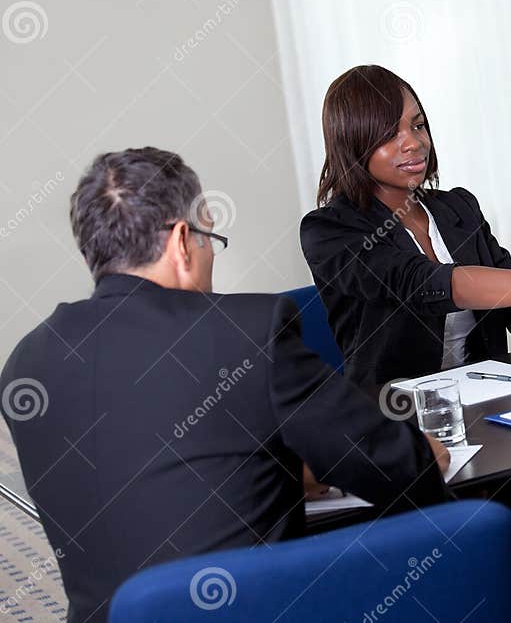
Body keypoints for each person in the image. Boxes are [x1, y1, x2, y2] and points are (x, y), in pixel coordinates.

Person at [0, 148, 451, 623]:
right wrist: (422, 450)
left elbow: (150, 473)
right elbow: (395, 464)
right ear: (181, 241)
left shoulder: (27, 363)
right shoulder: (246, 332)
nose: (210, 253)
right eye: (210, 237)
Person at [300, 65, 511, 387]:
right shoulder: (329, 230)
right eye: (388, 135)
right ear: (352, 143)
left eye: (418, 125)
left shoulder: (458, 207)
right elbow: (426, 283)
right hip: (393, 415)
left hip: (486, 392)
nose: (413, 142)